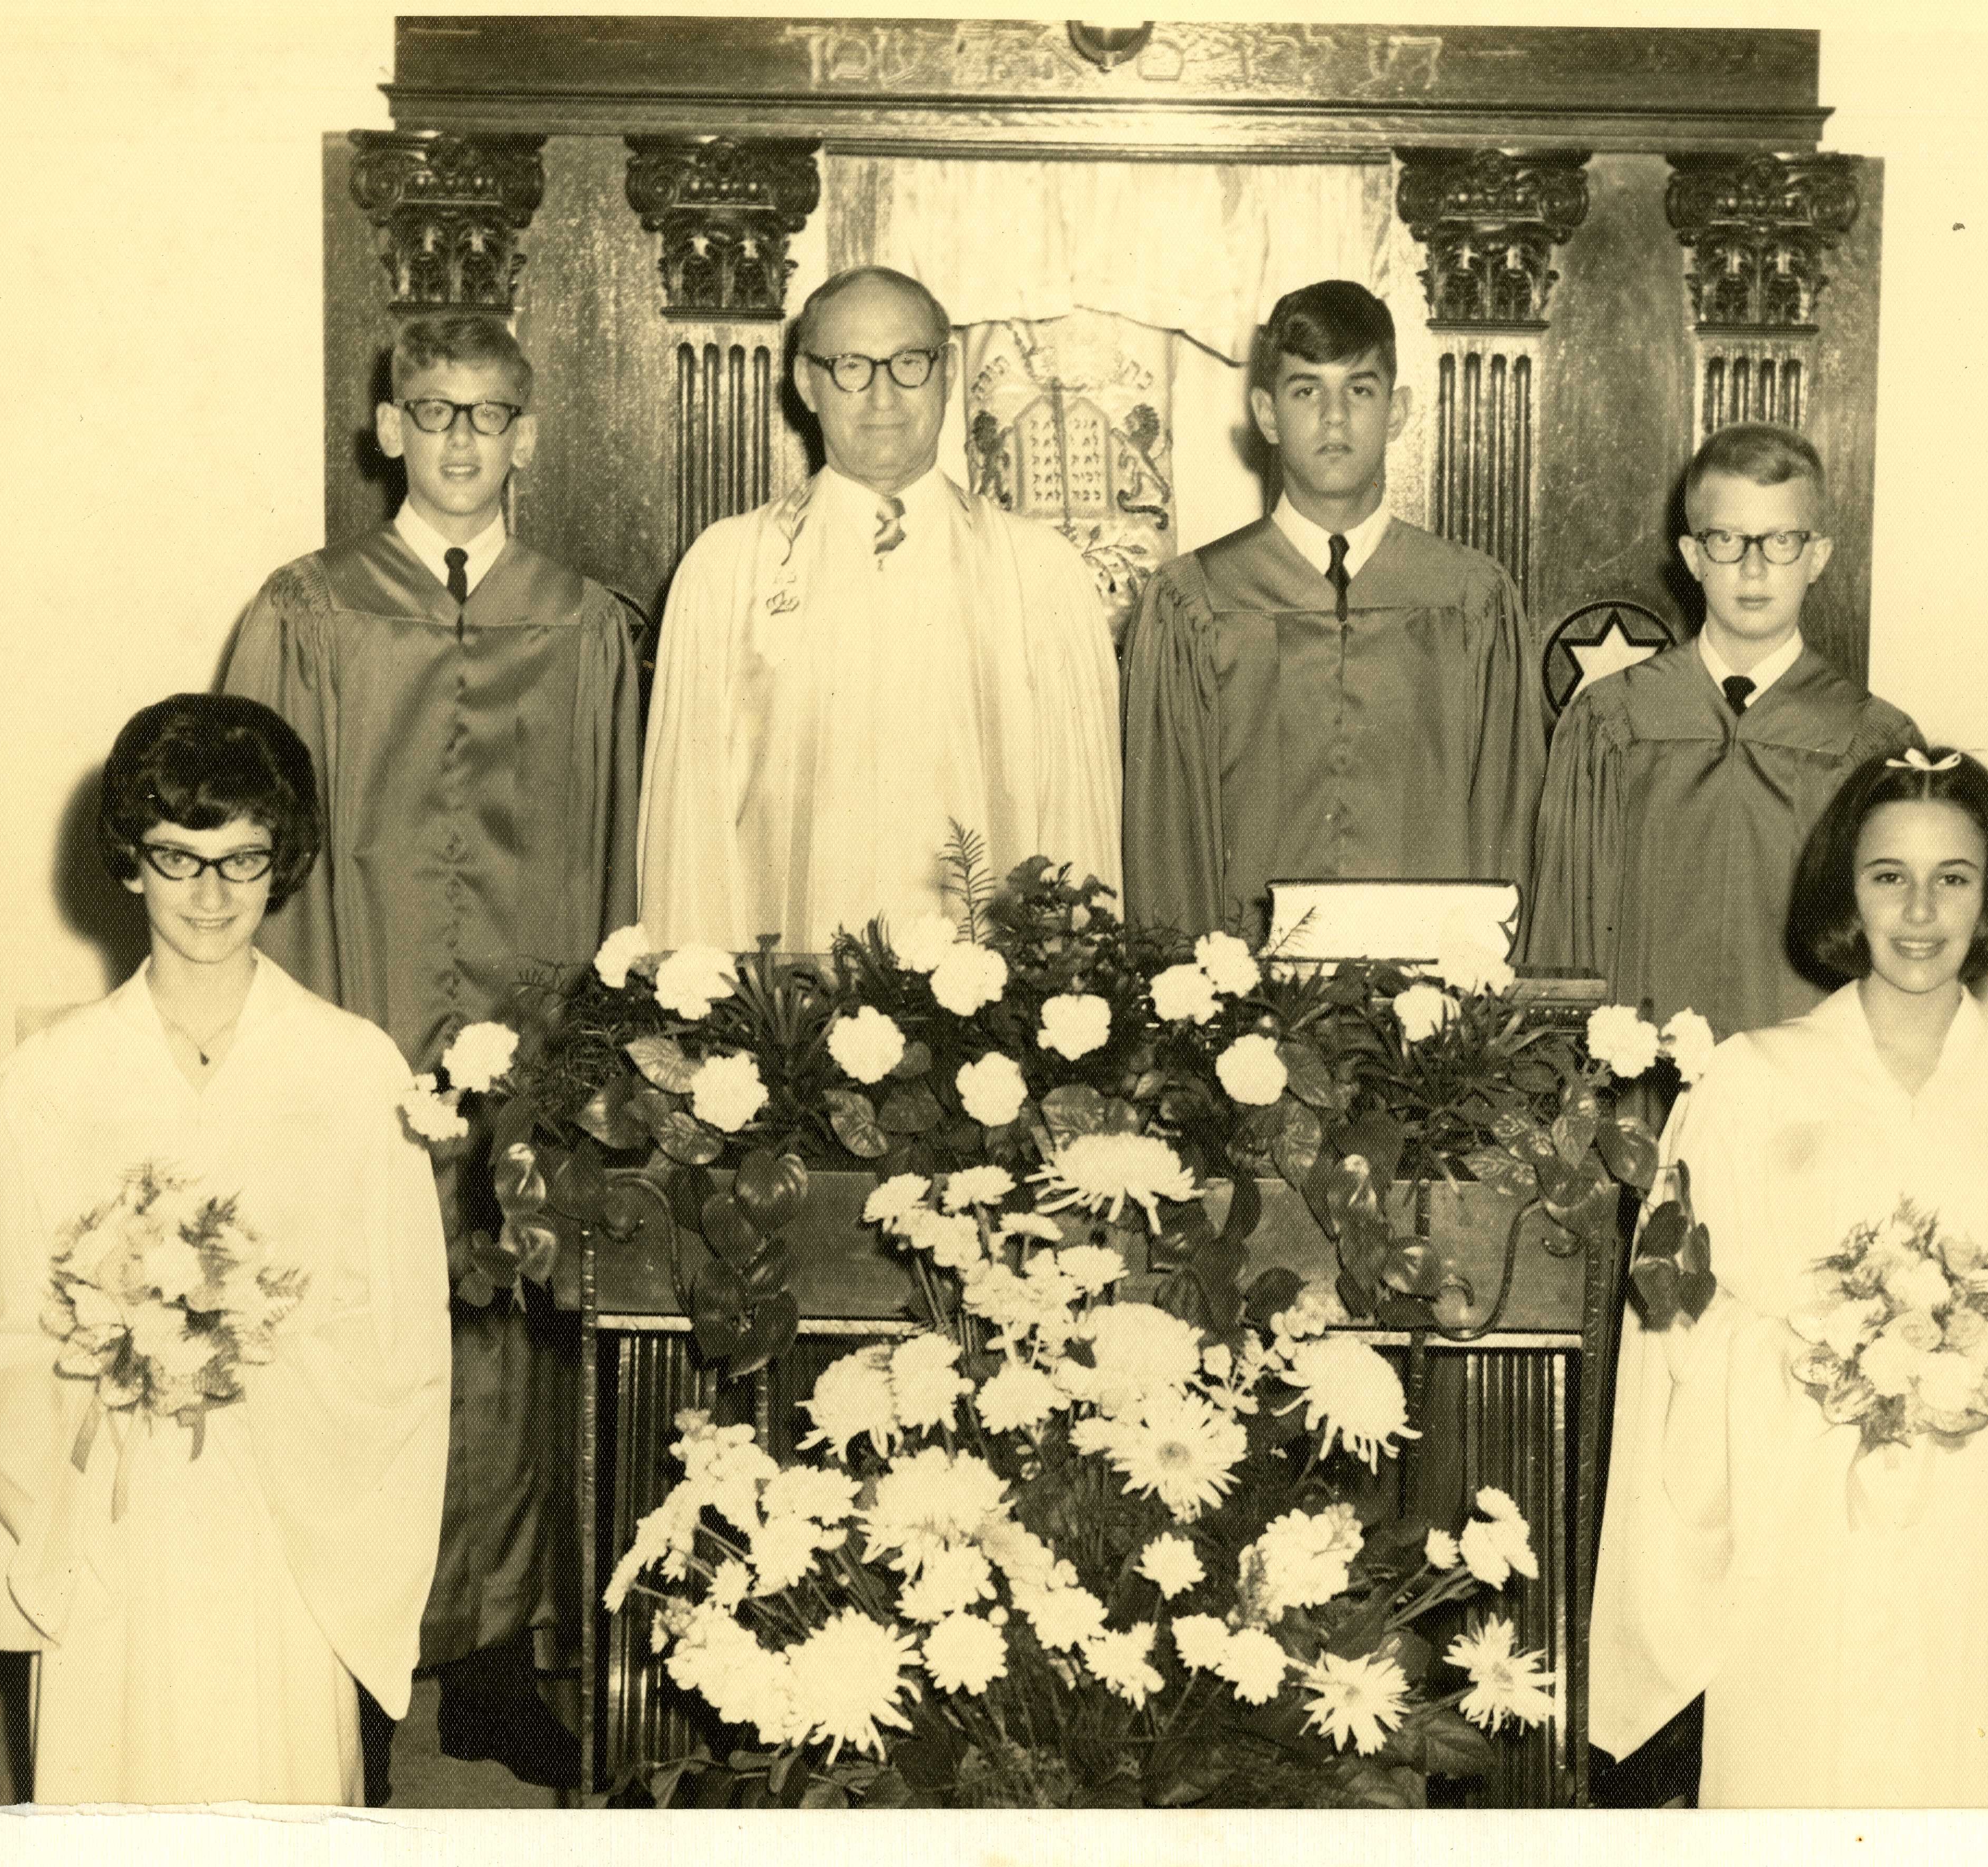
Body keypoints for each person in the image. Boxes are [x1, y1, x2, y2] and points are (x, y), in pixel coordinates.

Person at [1590, 747, 1988, 1807]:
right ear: (1847, 890)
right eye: (1888, 875)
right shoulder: (1748, 1080)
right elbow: (1678, 1317)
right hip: (1800, 1500)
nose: (1920, 911)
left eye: (1951, 877)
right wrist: (1830, 1354)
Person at [225, 313, 635, 1790]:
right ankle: (354, 1665)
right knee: (359, 1335)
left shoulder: (583, 623)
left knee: (514, 1332)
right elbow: (251, 852)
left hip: (529, 1030)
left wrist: (597, 1047)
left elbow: (616, 847)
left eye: (490, 413)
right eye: (434, 411)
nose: (462, 439)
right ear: (387, 428)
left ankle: (496, 1657)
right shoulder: (308, 612)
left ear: (527, 434)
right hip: (356, 1003)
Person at [0, 695, 452, 1804]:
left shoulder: (354, 1069)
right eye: (179, 857)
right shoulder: (48, 1082)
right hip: (115, 1506)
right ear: (131, 860)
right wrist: (110, 1359)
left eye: (242, 860)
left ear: (281, 862)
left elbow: (404, 1329)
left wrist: (261, 1351)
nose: (211, 896)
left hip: (287, 1500)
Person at [636, 265, 1122, 950]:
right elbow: (687, 834)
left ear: (947, 372)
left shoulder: (1041, 574)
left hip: (992, 1001)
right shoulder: (727, 569)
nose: (882, 395)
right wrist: (702, 998)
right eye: (852, 367)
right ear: (806, 383)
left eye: (908, 363)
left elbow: (1080, 829)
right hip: (786, 1000)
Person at [1120, 280, 1540, 941]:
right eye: (1306, 391)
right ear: (1266, 414)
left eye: (1360, 390)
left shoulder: (1472, 601)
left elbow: (1508, 831)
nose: (1335, 417)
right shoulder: (1193, 602)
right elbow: (1167, 851)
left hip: (1432, 992)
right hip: (1246, 992)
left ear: (1397, 412)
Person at [1525, 423, 1921, 1038]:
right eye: (1727, 539)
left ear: (1817, 556)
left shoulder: (1870, 740)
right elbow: (1564, 935)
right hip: (1635, 1079)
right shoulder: (1609, 723)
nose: (1753, 568)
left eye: (1780, 540)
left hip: (1805, 1081)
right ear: (1693, 557)